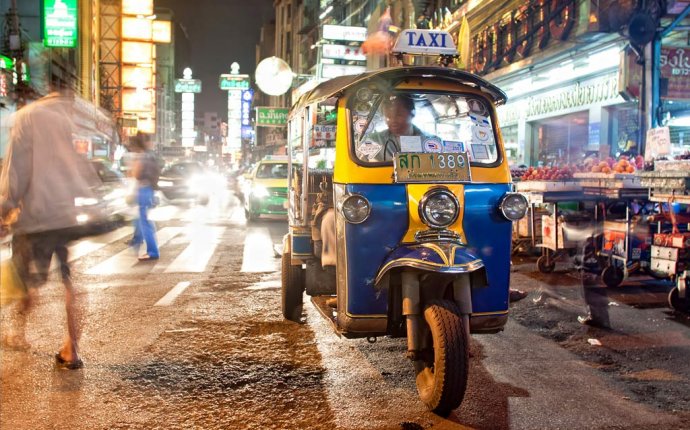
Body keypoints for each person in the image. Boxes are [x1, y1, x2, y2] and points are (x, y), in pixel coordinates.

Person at [0, 90, 102, 369]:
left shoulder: (25, 117)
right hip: (64, 215)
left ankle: (17, 333)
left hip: (35, 217)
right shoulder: (65, 122)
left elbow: (15, 170)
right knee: (68, 281)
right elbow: (80, 169)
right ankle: (73, 349)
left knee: (22, 277)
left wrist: (4, 207)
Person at [363, 94, 435, 162]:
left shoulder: (431, 142)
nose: (393, 120)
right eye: (388, 117)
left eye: (398, 115)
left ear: (412, 113)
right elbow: (359, 164)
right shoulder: (374, 140)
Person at [129, 133, 160, 261]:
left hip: (144, 190)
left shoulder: (142, 157)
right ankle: (137, 241)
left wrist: (133, 168)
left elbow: (136, 174)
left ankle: (152, 251)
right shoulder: (150, 156)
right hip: (148, 190)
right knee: (143, 219)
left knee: (145, 221)